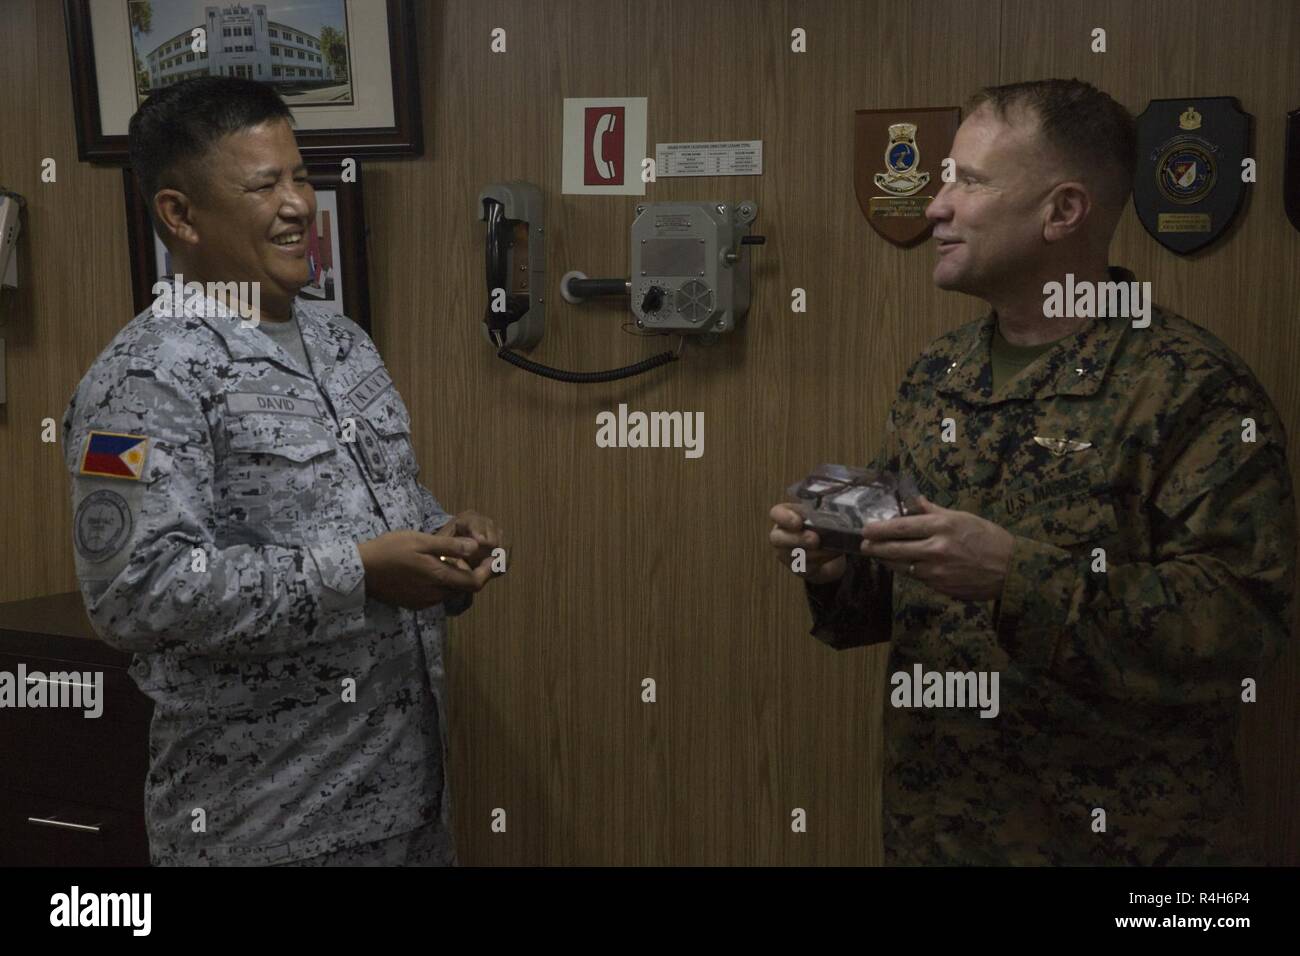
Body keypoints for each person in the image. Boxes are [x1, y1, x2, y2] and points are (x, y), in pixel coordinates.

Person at [769, 79, 1295, 865]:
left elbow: (1243, 630)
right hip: (939, 832)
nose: (936, 206)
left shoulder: (1189, 385)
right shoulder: (936, 373)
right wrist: (832, 561)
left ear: (1063, 211)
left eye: (969, 181)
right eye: (945, 177)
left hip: (1125, 849)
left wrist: (1017, 577)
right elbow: (890, 597)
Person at [63, 76, 505, 866]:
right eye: (265, 184)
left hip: (408, 804)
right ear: (180, 215)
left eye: (300, 175)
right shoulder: (142, 380)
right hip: (265, 826)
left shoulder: (342, 343)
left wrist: (443, 546)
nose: (299, 203)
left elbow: (376, 520)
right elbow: (133, 597)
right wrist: (360, 575)